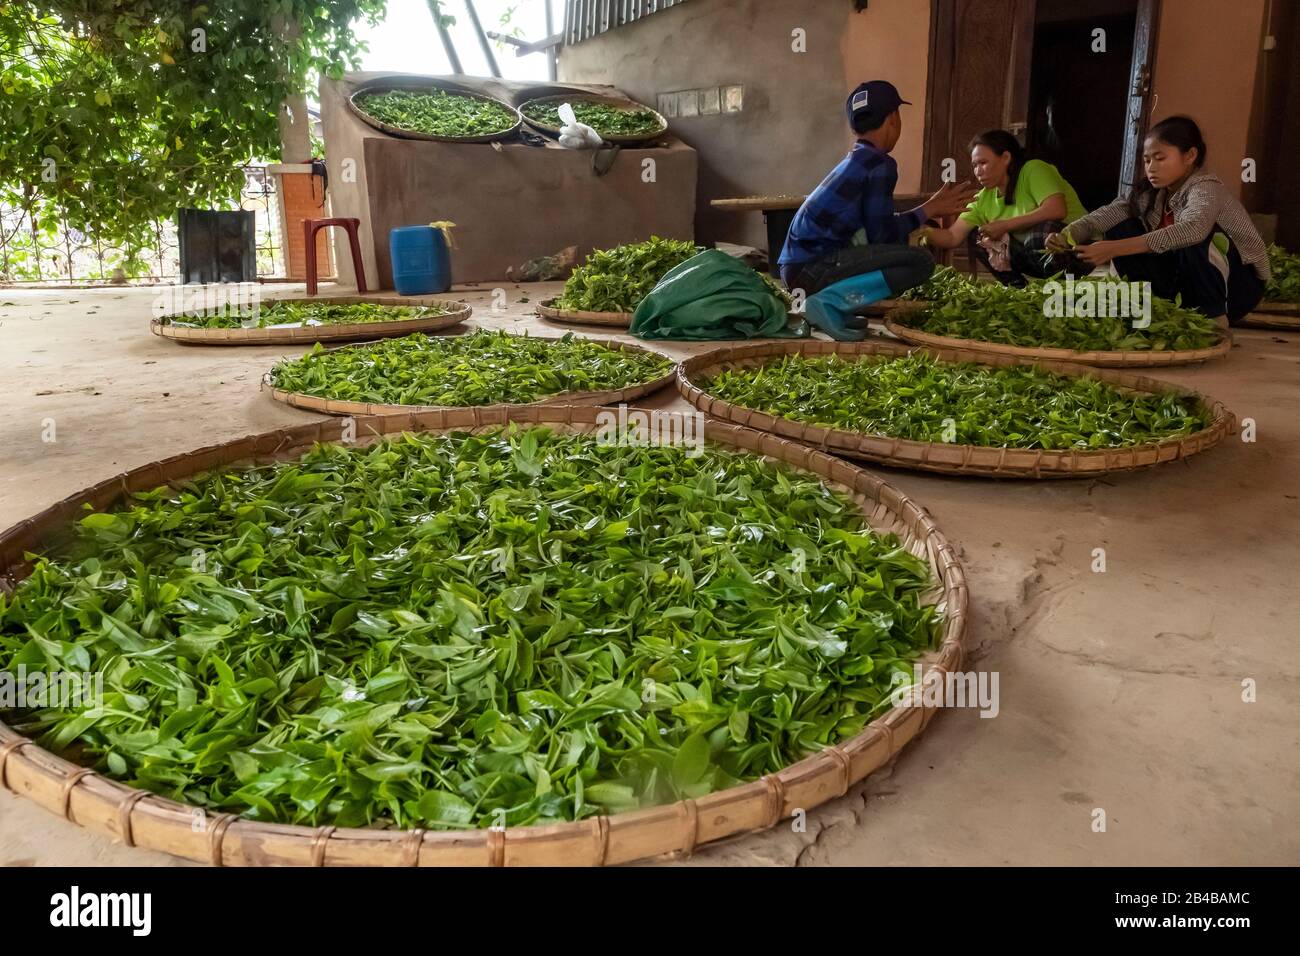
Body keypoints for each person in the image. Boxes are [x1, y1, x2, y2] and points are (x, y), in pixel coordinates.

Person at [778, 80, 978, 340]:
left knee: (894, 253)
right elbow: (881, 235)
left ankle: (832, 306)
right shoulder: (879, 165)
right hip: (811, 270)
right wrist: (928, 211)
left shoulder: (856, 159)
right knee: (920, 262)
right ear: (894, 118)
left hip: (795, 271)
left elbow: (875, 227)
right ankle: (830, 303)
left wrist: (926, 211)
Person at [1046, 115, 1270, 323]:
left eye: (1160, 158)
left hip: (1238, 289)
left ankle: (1215, 319)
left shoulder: (1206, 189)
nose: (1151, 167)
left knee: (1193, 237)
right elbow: (1106, 215)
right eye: (1147, 160)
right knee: (1120, 226)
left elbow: (1192, 230)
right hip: (1184, 284)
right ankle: (1148, 307)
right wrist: (1068, 235)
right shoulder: (1150, 194)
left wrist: (1114, 248)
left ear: (1190, 156)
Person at [921, 130, 1087, 285]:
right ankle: (1018, 289)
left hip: (1081, 250)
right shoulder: (982, 198)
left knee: (1041, 233)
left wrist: (1005, 225)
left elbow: (1056, 209)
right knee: (978, 235)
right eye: (974, 165)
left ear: (1006, 158)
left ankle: (1062, 288)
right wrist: (919, 229)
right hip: (1038, 258)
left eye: (983, 163)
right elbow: (952, 237)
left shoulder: (1033, 170)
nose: (978, 171)